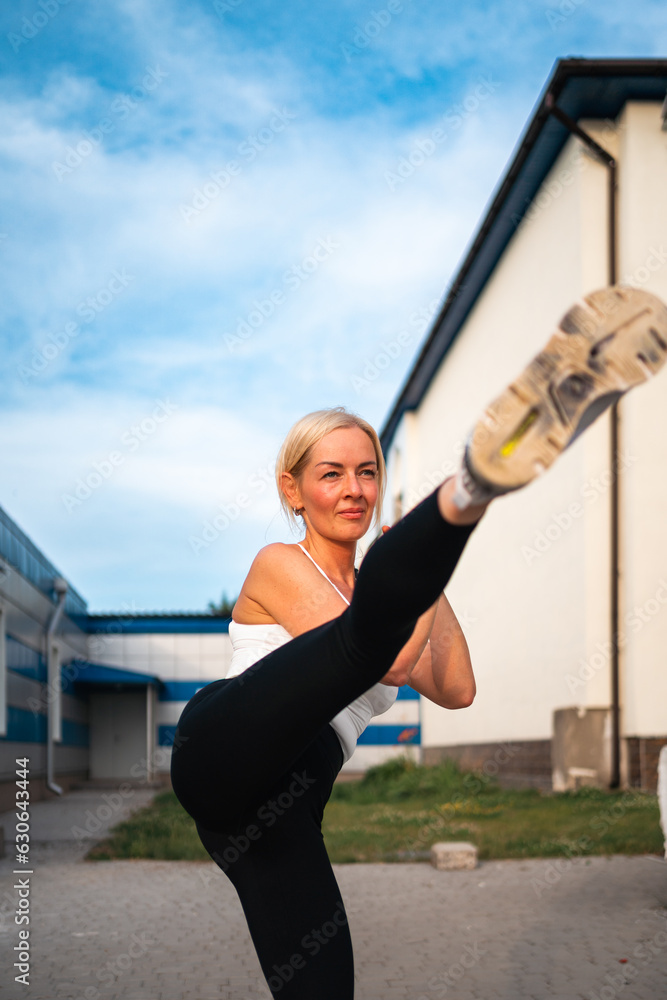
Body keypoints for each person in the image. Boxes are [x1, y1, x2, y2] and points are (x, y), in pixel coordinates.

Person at [171, 286, 667, 999]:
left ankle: (473, 487)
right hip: (225, 745)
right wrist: (419, 547)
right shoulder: (279, 565)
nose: (353, 490)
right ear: (293, 490)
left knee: (321, 989)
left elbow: (458, 690)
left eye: (367, 472)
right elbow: (387, 658)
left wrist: (423, 559)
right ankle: (467, 490)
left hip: (285, 806)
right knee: (358, 646)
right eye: (331, 474)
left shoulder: (385, 580)